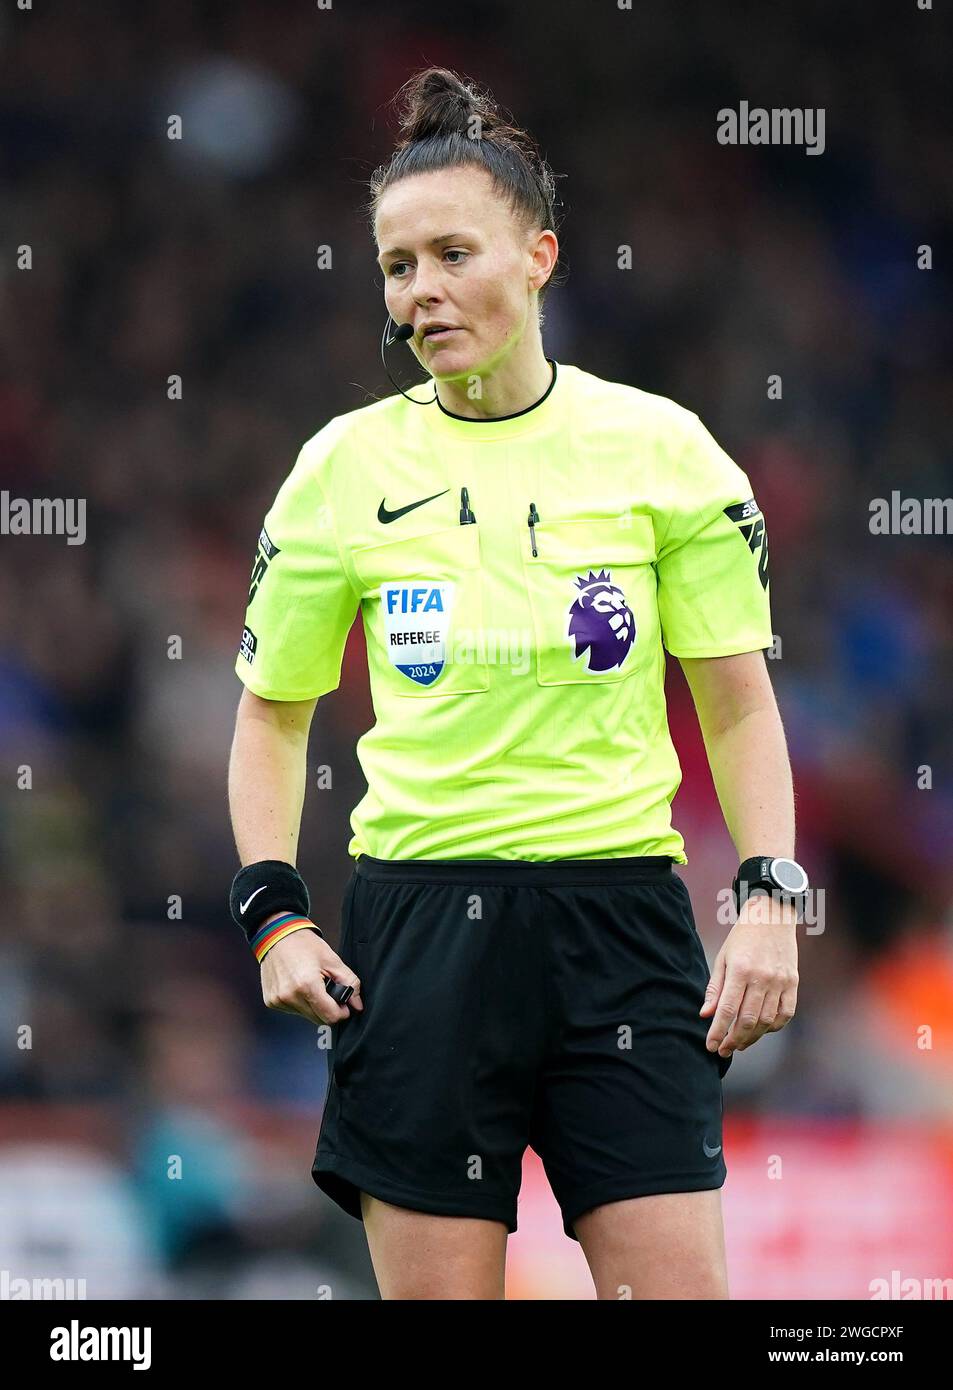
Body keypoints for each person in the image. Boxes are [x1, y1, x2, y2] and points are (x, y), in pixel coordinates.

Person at [227, 67, 807, 1301]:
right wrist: (272, 911)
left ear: (538, 254)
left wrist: (767, 895)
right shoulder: (341, 468)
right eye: (396, 267)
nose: (420, 292)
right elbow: (274, 716)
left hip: (622, 926)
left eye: (451, 253)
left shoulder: (661, 449)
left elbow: (738, 702)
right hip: (419, 933)